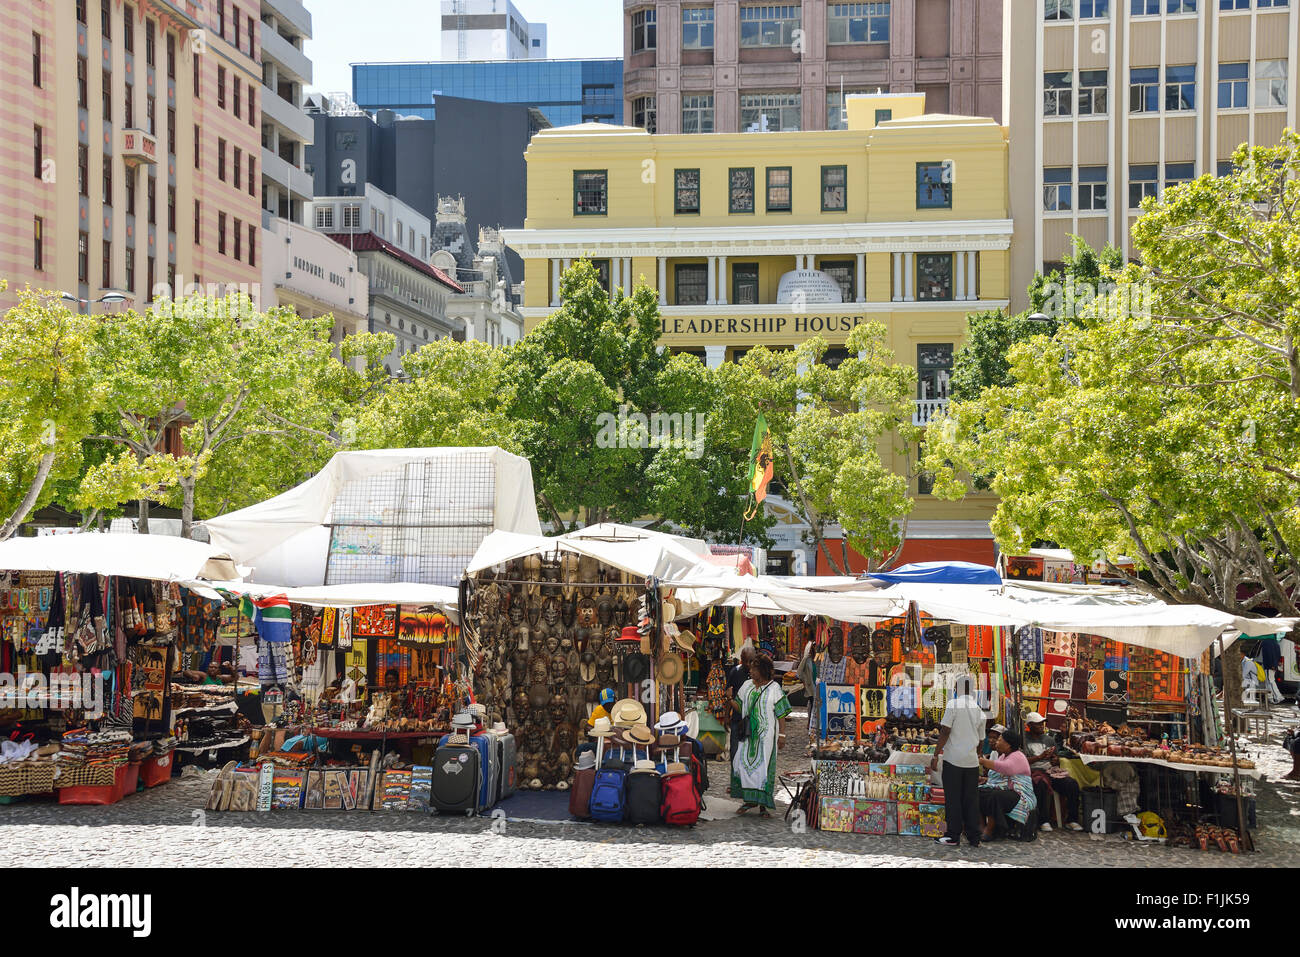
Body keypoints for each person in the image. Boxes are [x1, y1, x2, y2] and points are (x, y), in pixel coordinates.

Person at [731, 653, 793, 817]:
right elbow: (738, 706)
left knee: (762, 770)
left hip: (766, 738)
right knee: (744, 767)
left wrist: (782, 736)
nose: (750, 671)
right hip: (748, 736)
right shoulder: (746, 686)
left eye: (754, 668)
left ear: (762, 670)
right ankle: (749, 801)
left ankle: (763, 806)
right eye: (750, 668)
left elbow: (781, 714)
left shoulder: (774, 689)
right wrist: (727, 699)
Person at [930, 675, 985, 848]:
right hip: (971, 762)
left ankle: (953, 835)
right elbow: (981, 740)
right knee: (970, 799)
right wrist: (976, 756)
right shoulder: (979, 710)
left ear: (957, 688)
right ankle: (974, 836)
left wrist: (936, 754)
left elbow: (945, 730)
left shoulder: (953, 704)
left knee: (953, 798)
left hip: (953, 759)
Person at [1024, 712, 1083, 832]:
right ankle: (1043, 820)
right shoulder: (1023, 739)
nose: (1041, 726)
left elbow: (1055, 759)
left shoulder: (1049, 739)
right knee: (1040, 784)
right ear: (1030, 725)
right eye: (1038, 724)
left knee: (1072, 784)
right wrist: (1040, 757)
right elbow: (1022, 760)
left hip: (1050, 771)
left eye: (1042, 724)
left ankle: (1072, 820)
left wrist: (1055, 759)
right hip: (1033, 771)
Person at [976, 730, 1036, 840]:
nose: (996, 742)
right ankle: (981, 827)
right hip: (1007, 790)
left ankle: (989, 831)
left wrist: (982, 761)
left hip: (1020, 794)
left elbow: (1006, 768)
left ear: (1008, 745)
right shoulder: (1003, 756)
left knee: (995, 796)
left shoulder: (1018, 756)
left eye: (999, 740)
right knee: (977, 791)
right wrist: (985, 779)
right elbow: (999, 776)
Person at [727, 645, 755, 752]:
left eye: (750, 661)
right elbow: (730, 693)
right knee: (734, 750)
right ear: (741, 660)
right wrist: (726, 716)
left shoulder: (759, 674)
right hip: (737, 718)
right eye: (745, 661)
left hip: (753, 720)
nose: (748, 664)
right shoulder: (735, 672)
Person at [1260, 637, 1284, 704]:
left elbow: (1268, 654)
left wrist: (1271, 665)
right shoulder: (1275, 642)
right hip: (1274, 665)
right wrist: (1276, 664)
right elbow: (1278, 654)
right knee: (1269, 681)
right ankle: (1270, 698)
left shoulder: (1265, 642)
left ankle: (1278, 697)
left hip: (1269, 665)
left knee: (1270, 681)